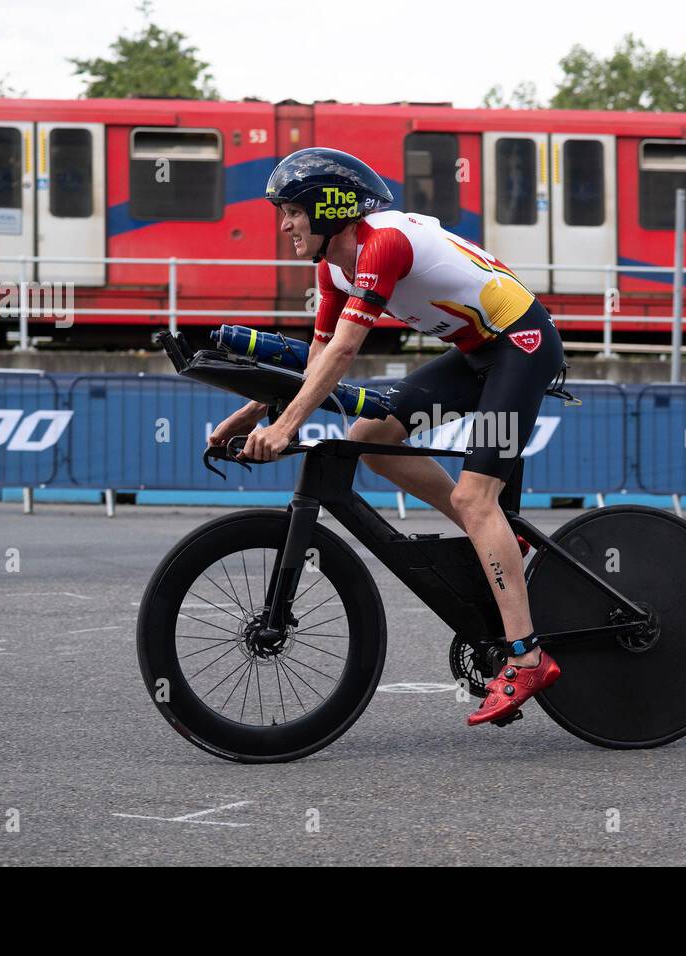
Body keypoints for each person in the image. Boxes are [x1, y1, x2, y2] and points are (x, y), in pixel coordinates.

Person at [209, 147, 565, 727]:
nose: (284, 224)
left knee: (478, 497)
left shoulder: (383, 244)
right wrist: (256, 412)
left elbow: (347, 351)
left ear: (329, 207)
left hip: (521, 347)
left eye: (292, 211)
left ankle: (527, 657)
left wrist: (286, 426)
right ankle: (500, 539)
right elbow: (319, 356)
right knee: (371, 436)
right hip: (477, 353)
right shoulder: (333, 268)